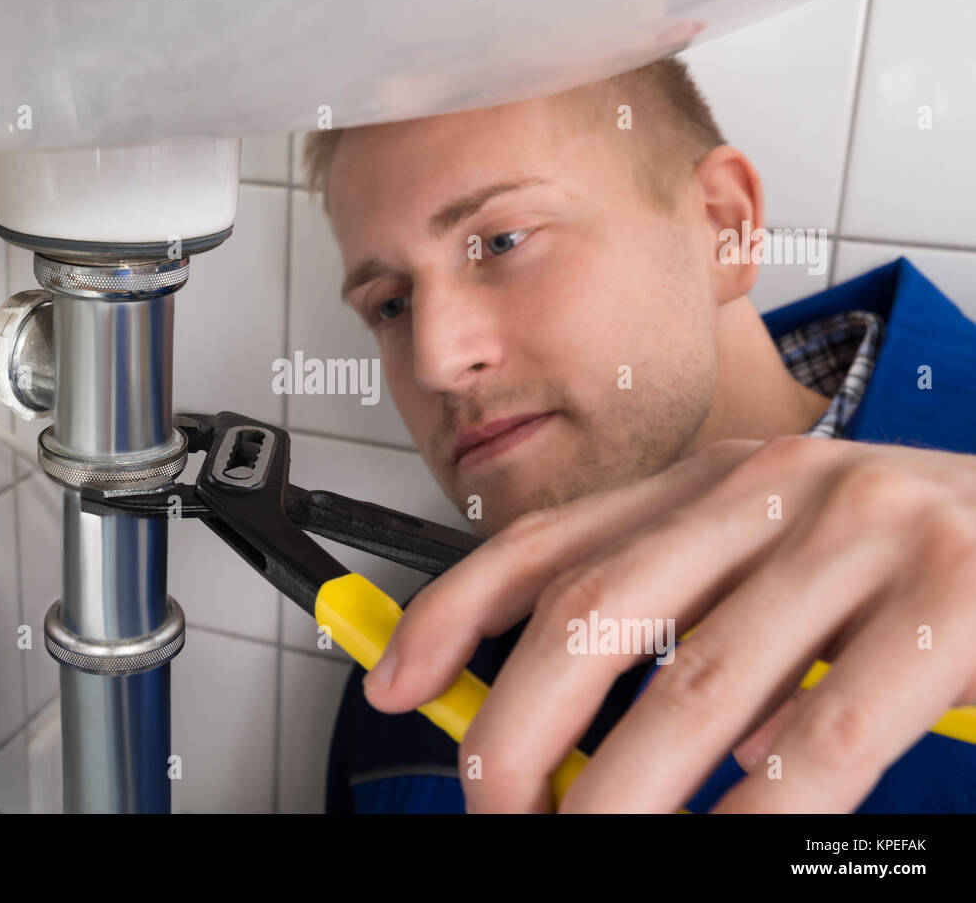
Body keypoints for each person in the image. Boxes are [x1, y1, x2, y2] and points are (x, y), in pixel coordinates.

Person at [304, 58, 976, 813]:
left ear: (724, 225)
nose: (437, 362)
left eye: (502, 241)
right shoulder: (411, 672)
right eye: (391, 305)